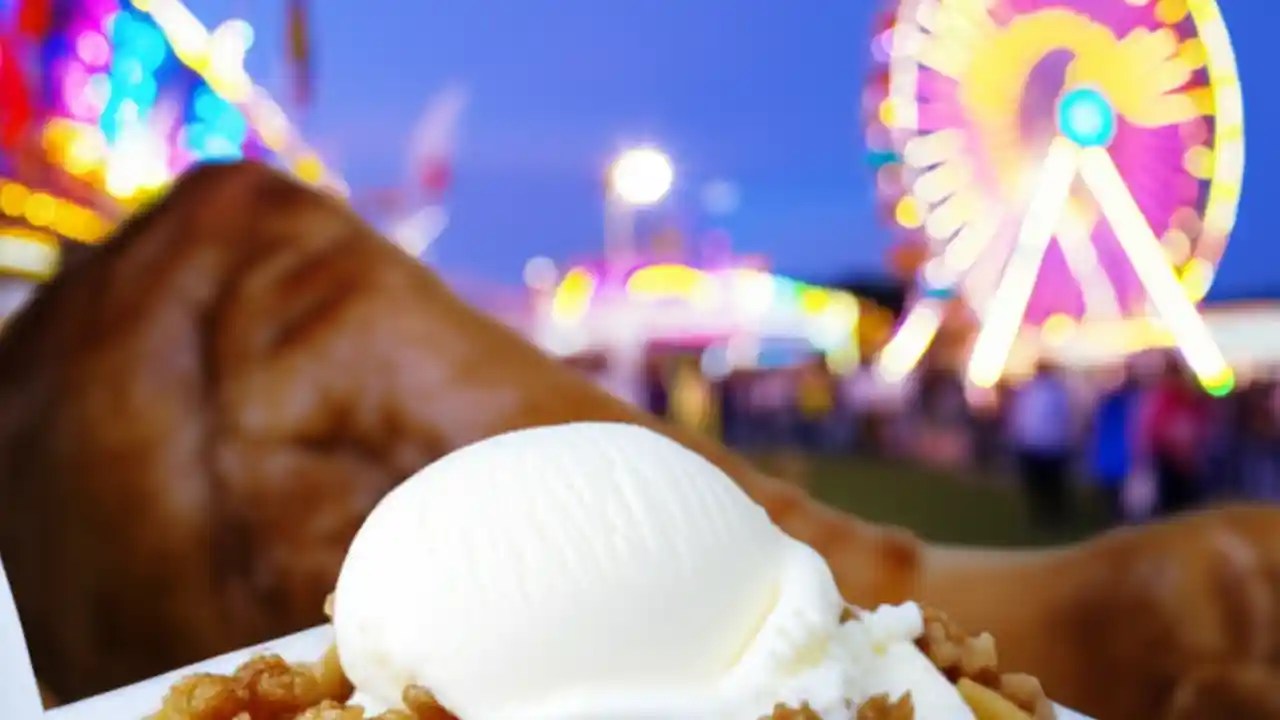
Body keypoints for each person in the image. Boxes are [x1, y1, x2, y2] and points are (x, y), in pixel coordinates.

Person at [1139, 357, 1212, 515]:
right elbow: (1153, 433)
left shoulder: (1190, 402)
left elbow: (1202, 429)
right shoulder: (1161, 402)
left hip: (1188, 466)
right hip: (1168, 465)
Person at [1008, 359, 1075, 527]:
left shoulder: (1054, 391)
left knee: (1051, 485)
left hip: (1050, 446)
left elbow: (1064, 417)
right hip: (1034, 444)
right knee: (1037, 484)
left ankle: (1053, 516)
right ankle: (1040, 516)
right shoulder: (1031, 390)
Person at [1089, 370, 1140, 522]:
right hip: (1123, 462)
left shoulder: (1107, 404)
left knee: (1114, 501)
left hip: (1110, 462)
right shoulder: (1133, 403)